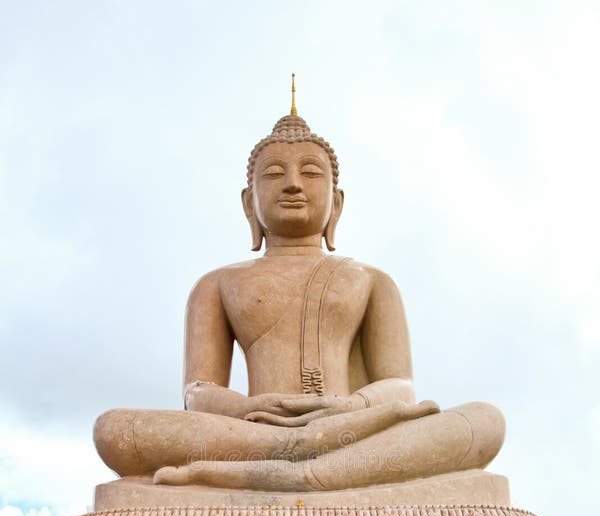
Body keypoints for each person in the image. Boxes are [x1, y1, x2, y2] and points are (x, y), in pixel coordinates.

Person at [94, 94, 504, 492]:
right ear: (248, 205)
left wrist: (350, 409)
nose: (292, 184)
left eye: (310, 173)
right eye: (273, 174)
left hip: (351, 430)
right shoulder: (217, 284)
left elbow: (399, 386)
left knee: (485, 422)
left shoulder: (372, 280)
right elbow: (197, 393)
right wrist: (246, 410)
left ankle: (294, 474)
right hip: (257, 434)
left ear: (336, 204)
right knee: (115, 431)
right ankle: (318, 466)